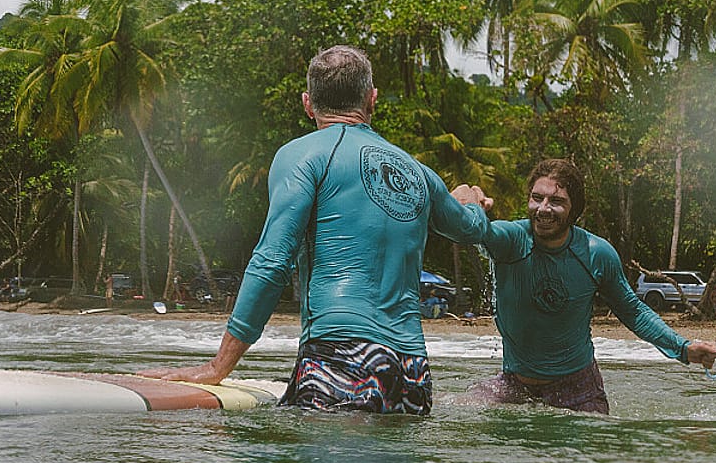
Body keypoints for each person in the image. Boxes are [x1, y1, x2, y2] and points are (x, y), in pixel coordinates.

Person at [142, 45, 491, 415]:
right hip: (411, 370)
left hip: (339, 356)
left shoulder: (302, 155)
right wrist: (473, 202)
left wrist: (218, 367)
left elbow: (272, 261)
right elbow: (470, 228)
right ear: (372, 100)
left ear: (308, 104)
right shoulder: (417, 172)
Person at [465, 159, 716, 414]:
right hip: (514, 384)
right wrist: (470, 204)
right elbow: (474, 230)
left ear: (575, 210)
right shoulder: (511, 240)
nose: (543, 209)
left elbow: (633, 311)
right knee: (454, 409)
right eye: (536, 198)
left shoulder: (595, 254)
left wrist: (682, 348)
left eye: (556, 201)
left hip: (577, 388)